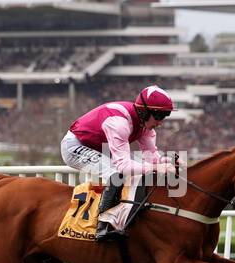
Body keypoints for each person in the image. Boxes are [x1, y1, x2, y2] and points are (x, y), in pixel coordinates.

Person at [61, 85, 176, 240]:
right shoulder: (118, 123)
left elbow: (152, 157)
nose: (161, 122)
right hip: (75, 146)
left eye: (164, 116)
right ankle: (101, 226)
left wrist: (167, 162)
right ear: (145, 111)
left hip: (96, 147)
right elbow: (123, 166)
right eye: (159, 116)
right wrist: (156, 167)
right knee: (116, 175)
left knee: (130, 174)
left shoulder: (145, 126)